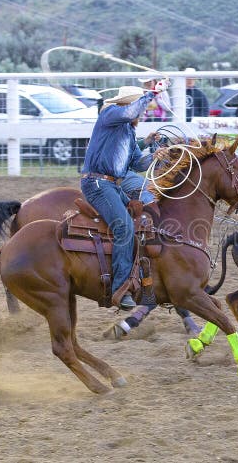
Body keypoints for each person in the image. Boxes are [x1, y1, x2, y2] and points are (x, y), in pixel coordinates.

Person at [80, 82, 169, 310]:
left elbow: (137, 163)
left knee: (140, 222)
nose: (142, 113)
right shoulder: (110, 115)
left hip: (111, 186)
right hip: (97, 183)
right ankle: (120, 289)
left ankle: (135, 277)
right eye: (140, 107)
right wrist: (153, 92)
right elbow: (131, 111)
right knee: (124, 227)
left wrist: (155, 156)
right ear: (130, 105)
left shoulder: (128, 133)